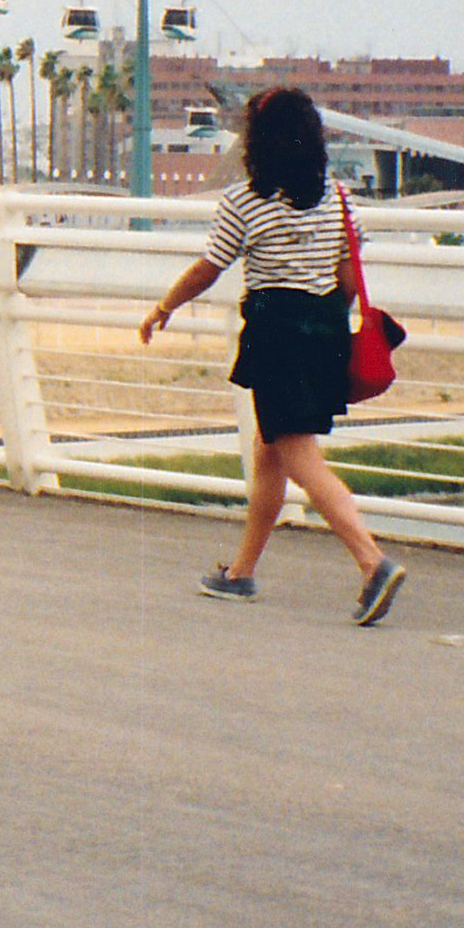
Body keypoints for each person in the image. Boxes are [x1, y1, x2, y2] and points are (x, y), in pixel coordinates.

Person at [138, 86, 408, 625]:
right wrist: (324, 322)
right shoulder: (337, 198)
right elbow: (350, 280)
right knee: (270, 451)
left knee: (298, 454)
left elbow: (209, 267)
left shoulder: (245, 201)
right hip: (324, 329)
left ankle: (372, 561)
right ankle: (241, 573)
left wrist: (164, 305)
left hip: (277, 333)